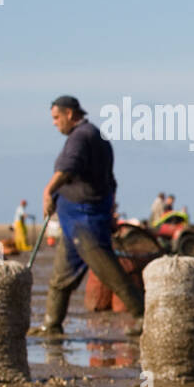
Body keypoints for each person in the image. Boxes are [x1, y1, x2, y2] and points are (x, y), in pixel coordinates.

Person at [34, 95, 144, 335]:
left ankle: (141, 315)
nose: (54, 123)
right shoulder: (95, 136)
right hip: (75, 219)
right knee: (61, 277)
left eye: (56, 118)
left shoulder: (80, 137)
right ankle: (51, 324)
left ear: (70, 114)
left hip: (85, 219)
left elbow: (67, 168)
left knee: (108, 271)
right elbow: (110, 181)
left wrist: (48, 191)